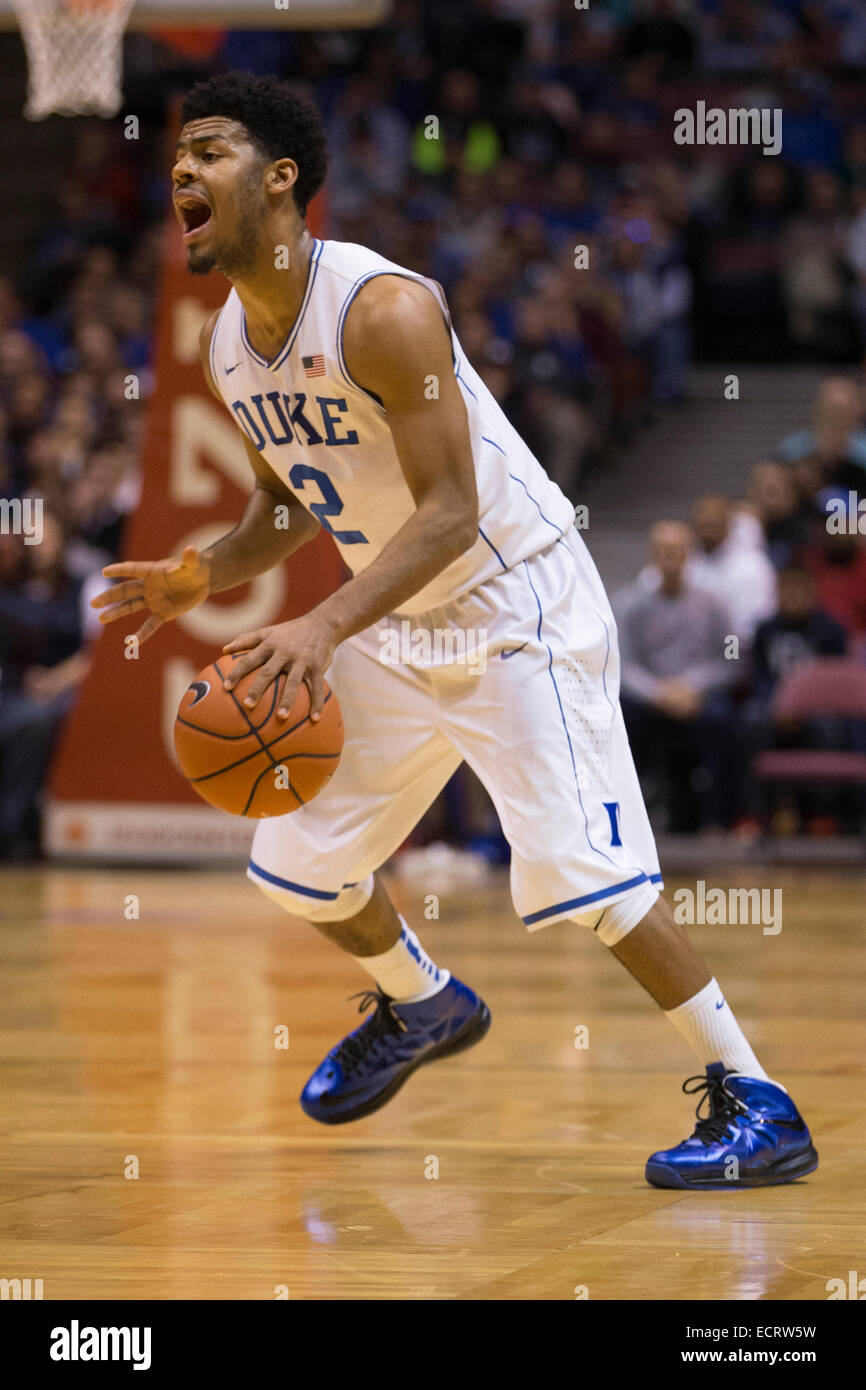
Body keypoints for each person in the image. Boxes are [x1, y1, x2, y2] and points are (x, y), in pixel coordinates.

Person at [92, 73, 817, 1190]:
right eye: (177, 154)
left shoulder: (381, 309)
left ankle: (757, 1100)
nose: (180, 169)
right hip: (398, 611)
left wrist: (321, 627)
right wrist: (202, 572)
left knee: (590, 877)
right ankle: (421, 1000)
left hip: (511, 600)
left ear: (281, 179)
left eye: (211, 150)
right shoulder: (233, 344)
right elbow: (289, 503)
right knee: (297, 859)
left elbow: (448, 512)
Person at [617, 522, 740, 832]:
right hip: (649, 699)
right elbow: (621, 663)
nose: (670, 558)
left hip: (699, 697)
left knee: (723, 718)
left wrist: (690, 686)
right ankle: (634, 816)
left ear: (690, 555)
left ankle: (716, 817)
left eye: (677, 550)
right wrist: (657, 692)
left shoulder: (715, 605)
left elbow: (732, 658)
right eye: (663, 551)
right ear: (652, 556)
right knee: (621, 716)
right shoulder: (628, 605)